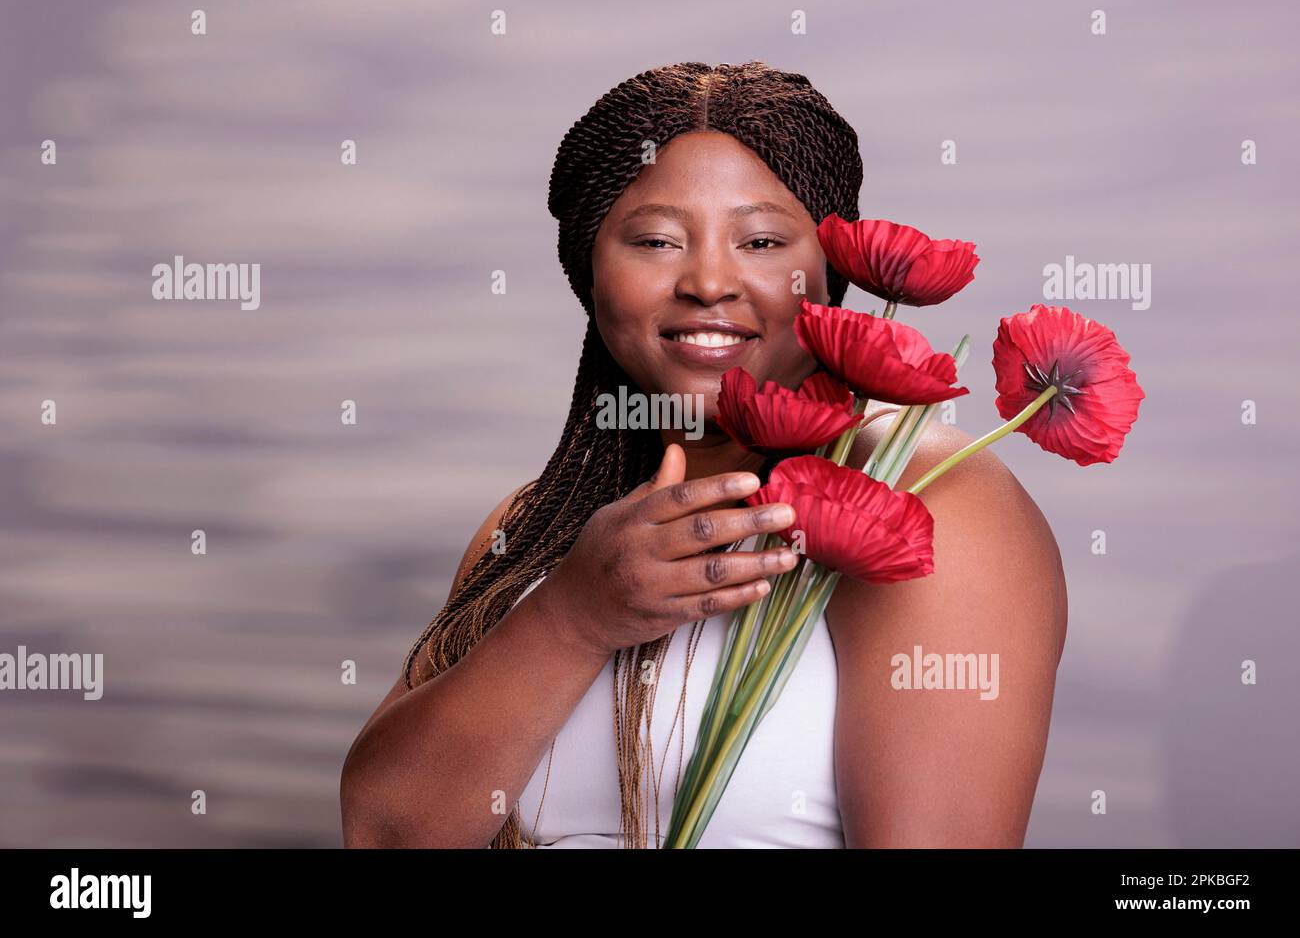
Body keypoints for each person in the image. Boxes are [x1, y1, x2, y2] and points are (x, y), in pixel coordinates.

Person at [340, 61, 1067, 849]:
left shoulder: (923, 500)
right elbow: (385, 833)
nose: (709, 282)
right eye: (655, 240)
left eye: (760, 240)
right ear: (590, 270)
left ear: (830, 267)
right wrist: (573, 619)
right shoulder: (538, 526)